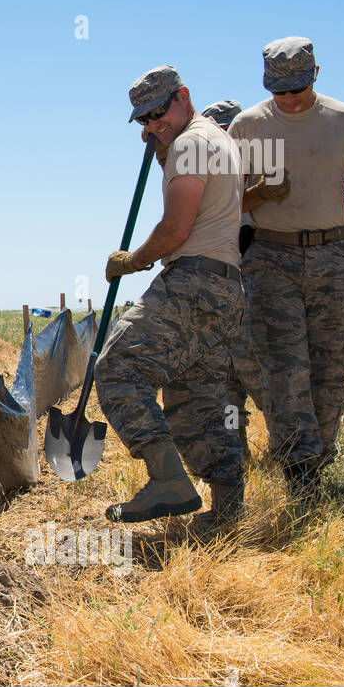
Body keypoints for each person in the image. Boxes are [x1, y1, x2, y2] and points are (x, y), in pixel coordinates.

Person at [228, 37, 344, 499]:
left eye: (298, 88)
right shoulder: (247, 126)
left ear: (317, 74)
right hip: (270, 258)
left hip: (332, 255)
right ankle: (299, 471)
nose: (288, 98)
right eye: (279, 90)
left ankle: (318, 461)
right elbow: (223, 206)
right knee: (285, 368)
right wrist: (261, 194)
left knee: (330, 369)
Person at [98, 65, 246, 527]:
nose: (151, 124)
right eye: (142, 119)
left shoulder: (188, 143)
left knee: (117, 367)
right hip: (225, 288)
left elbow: (177, 227)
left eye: (159, 111)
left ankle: (167, 481)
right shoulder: (214, 140)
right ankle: (227, 509)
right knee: (196, 401)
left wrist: (135, 259)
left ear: (183, 96)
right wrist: (164, 146)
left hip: (194, 282)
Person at [201, 99, 266, 458]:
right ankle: (235, 450)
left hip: (259, 274)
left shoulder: (260, 160)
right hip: (221, 281)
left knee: (261, 371)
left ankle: (293, 449)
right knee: (226, 380)